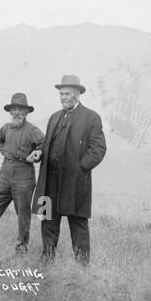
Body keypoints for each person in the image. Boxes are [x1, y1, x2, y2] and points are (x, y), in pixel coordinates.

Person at [33, 74, 106, 263]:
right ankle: (47, 260)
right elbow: (47, 142)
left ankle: (82, 266)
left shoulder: (91, 117)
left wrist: (81, 169)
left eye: (67, 94)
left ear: (77, 94)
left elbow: (98, 149)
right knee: (47, 220)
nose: (63, 97)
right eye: (61, 94)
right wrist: (40, 152)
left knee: (78, 223)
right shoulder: (54, 117)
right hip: (49, 181)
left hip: (74, 182)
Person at [0, 92, 45, 253]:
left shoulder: (33, 130)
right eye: (13, 109)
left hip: (24, 180)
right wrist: (6, 152)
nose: (16, 113)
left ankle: (21, 250)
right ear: (10, 111)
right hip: (5, 177)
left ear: (26, 112)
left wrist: (37, 153)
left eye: (20, 110)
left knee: (23, 216)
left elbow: (44, 144)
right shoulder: (5, 128)